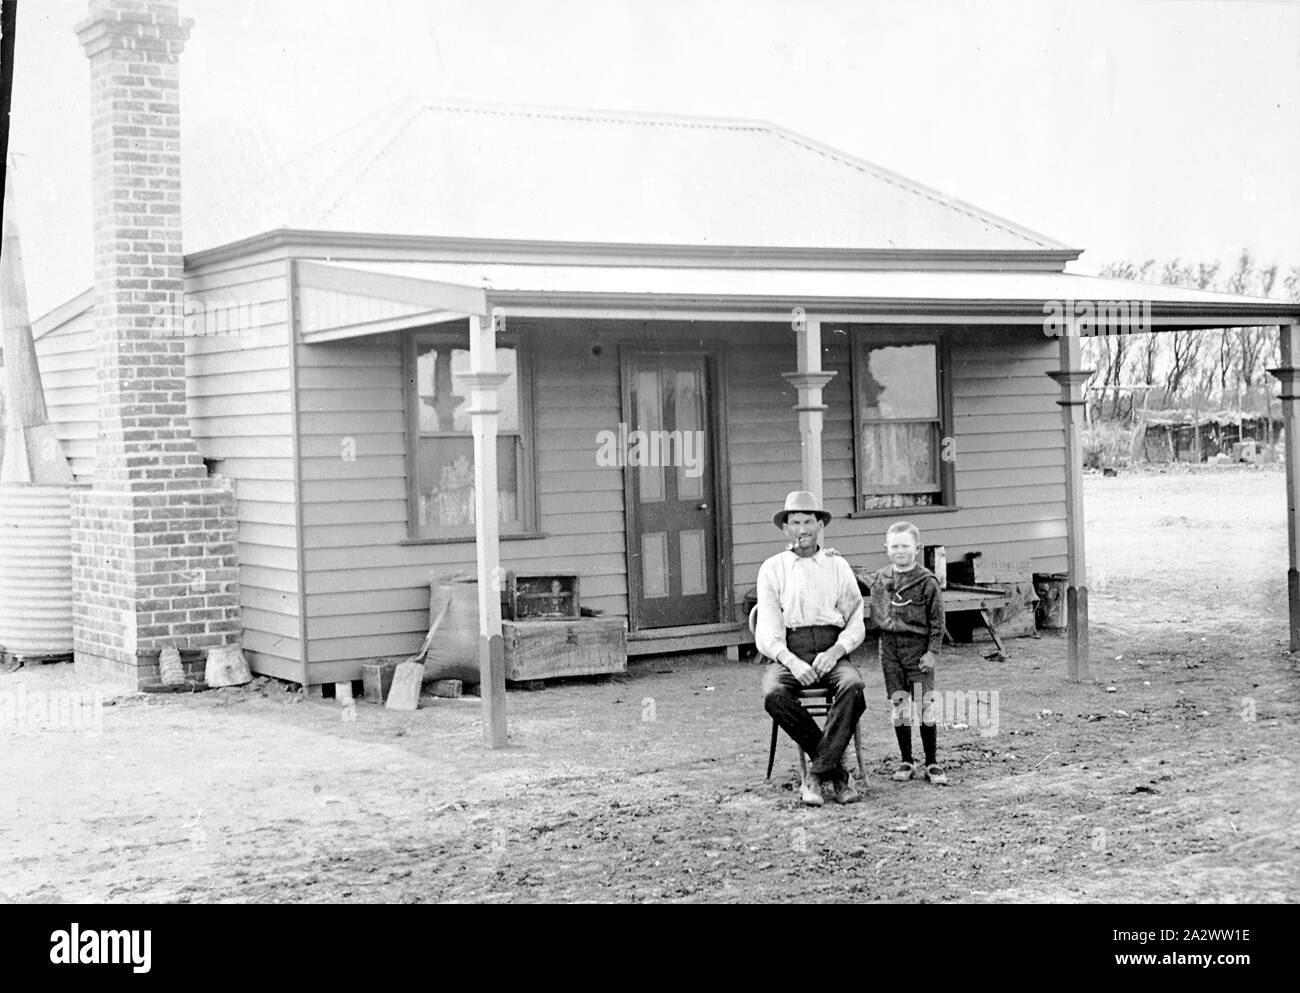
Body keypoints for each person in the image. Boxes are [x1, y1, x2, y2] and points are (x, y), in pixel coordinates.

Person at [756, 491, 867, 806]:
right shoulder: (772, 568)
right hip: (790, 651)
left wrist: (835, 652)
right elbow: (767, 631)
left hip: (832, 649)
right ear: (785, 528)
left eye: (808, 522)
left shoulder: (837, 565)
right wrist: (792, 662)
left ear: (820, 525)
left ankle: (816, 776)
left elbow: (856, 620)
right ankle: (837, 774)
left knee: (854, 686)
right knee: (774, 694)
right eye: (795, 523)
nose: (801, 529)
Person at [860, 521, 948, 785]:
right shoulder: (881, 577)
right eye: (894, 546)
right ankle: (906, 760)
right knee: (899, 705)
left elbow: (938, 621)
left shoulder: (927, 582)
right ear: (887, 549)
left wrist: (932, 651)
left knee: (924, 706)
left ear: (917, 549)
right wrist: (833, 559)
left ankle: (932, 762)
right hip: (889, 649)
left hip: (918, 651)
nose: (900, 551)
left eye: (905, 546)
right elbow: (853, 578)